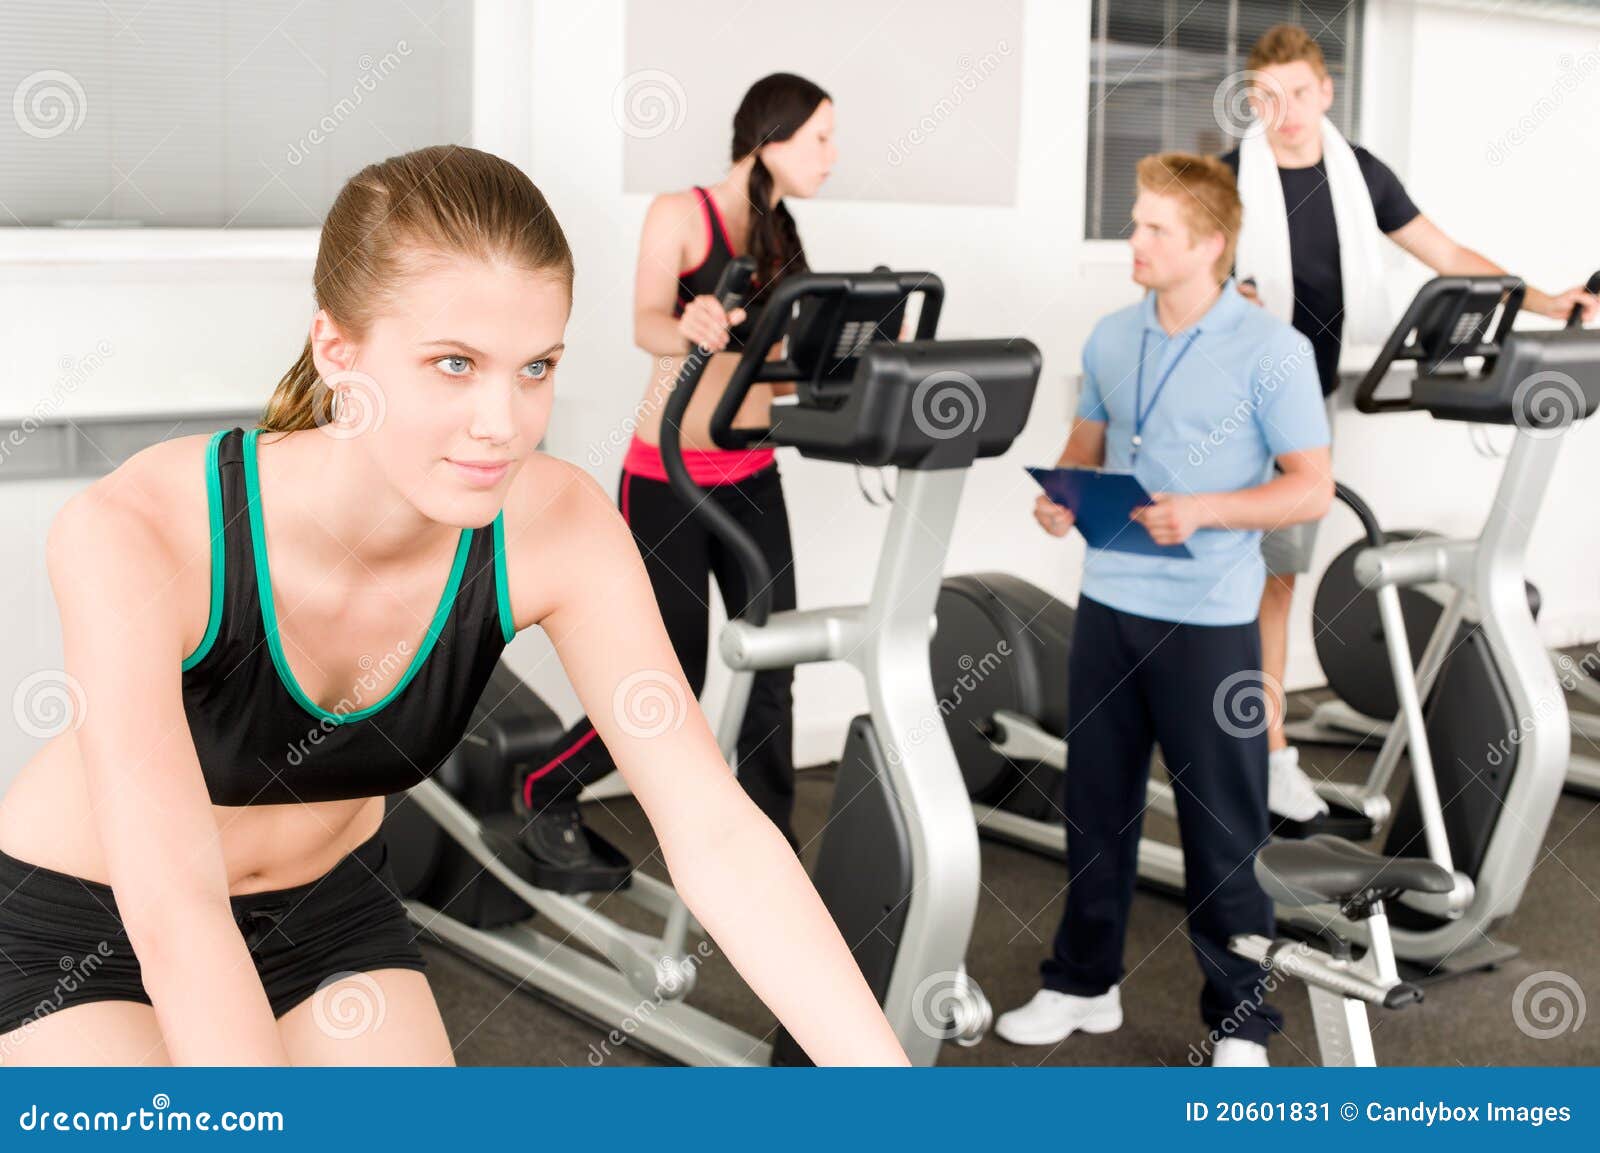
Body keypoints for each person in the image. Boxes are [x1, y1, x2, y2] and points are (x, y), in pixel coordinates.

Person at [0, 145, 904, 1067]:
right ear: (336, 350)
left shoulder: (555, 525)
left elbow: (713, 830)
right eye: (454, 363)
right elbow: (175, 906)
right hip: (95, 919)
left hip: (327, 918)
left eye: (535, 367)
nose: (502, 423)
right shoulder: (143, 530)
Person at [995, 154, 1332, 1066]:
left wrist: (1209, 509)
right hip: (1108, 603)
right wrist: (1061, 495)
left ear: (1211, 245)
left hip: (1210, 615)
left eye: (1153, 229)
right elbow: (1087, 438)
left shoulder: (1274, 351)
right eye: (1133, 222)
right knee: (1095, 808)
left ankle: (1241, 1020)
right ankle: (1082, 983)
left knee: (1223, 821)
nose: (1132, 242)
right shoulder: (1111, 335)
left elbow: (1311, 489)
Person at [1221, 23, 1600, 821]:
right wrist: (1228, 298)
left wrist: (1549, 300)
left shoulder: (1360, 174)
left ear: (1327, 93)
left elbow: (1449, 255)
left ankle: (1258, 747)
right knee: (1255, 587)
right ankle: (1262, 752)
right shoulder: (1227, 182)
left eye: (1299, 94)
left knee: (1272, 583)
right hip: (1237, 404)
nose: (1285, 113)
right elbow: (1178, 282)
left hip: (1311, 404)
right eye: (1267, 98)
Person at [515, 73, 835, 864]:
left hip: (752, 473)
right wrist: (687, 321)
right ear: (773, 137)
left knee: (775, 659)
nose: (833, 156)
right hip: (669, 482)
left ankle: (771, 846)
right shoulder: (680, 215)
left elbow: (782, 363)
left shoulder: (785, 238)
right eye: (821, 138)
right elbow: (644, 322)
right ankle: (544, 786)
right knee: (673, 675)